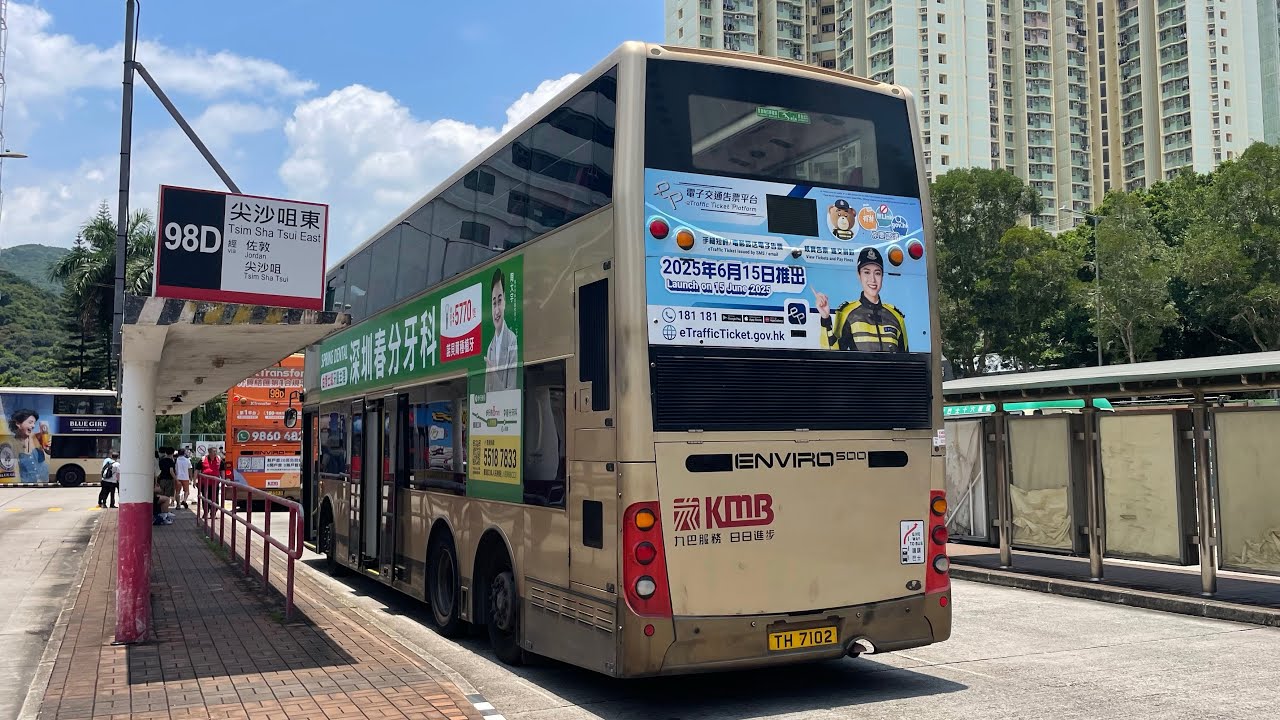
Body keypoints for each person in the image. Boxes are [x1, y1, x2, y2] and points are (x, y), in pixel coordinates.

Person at [813, 247, 909, 353]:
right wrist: (825, 318)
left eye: (877, 273)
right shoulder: (846, 313)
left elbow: (907, 360)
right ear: (859, 275)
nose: (872, 279)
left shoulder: (896, 316)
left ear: (882, 276)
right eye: (866, 272)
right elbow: (831, 354)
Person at [484, 269, 518, 392]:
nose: (497, 310)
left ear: (505, 301)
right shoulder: (490, 348)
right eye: (494, 303)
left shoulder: (512, 340)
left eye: (499, 301)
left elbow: (512, 389)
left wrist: (494, 376)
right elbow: (487, 393)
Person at [7, 409, 50, 484]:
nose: (33, 426)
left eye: (34, 423)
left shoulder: (38, 437)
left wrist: (49, 447)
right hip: (26, 483)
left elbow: (49, 452)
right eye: (30, 422)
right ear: (18, 423)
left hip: (44, 482)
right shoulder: (11, 443)